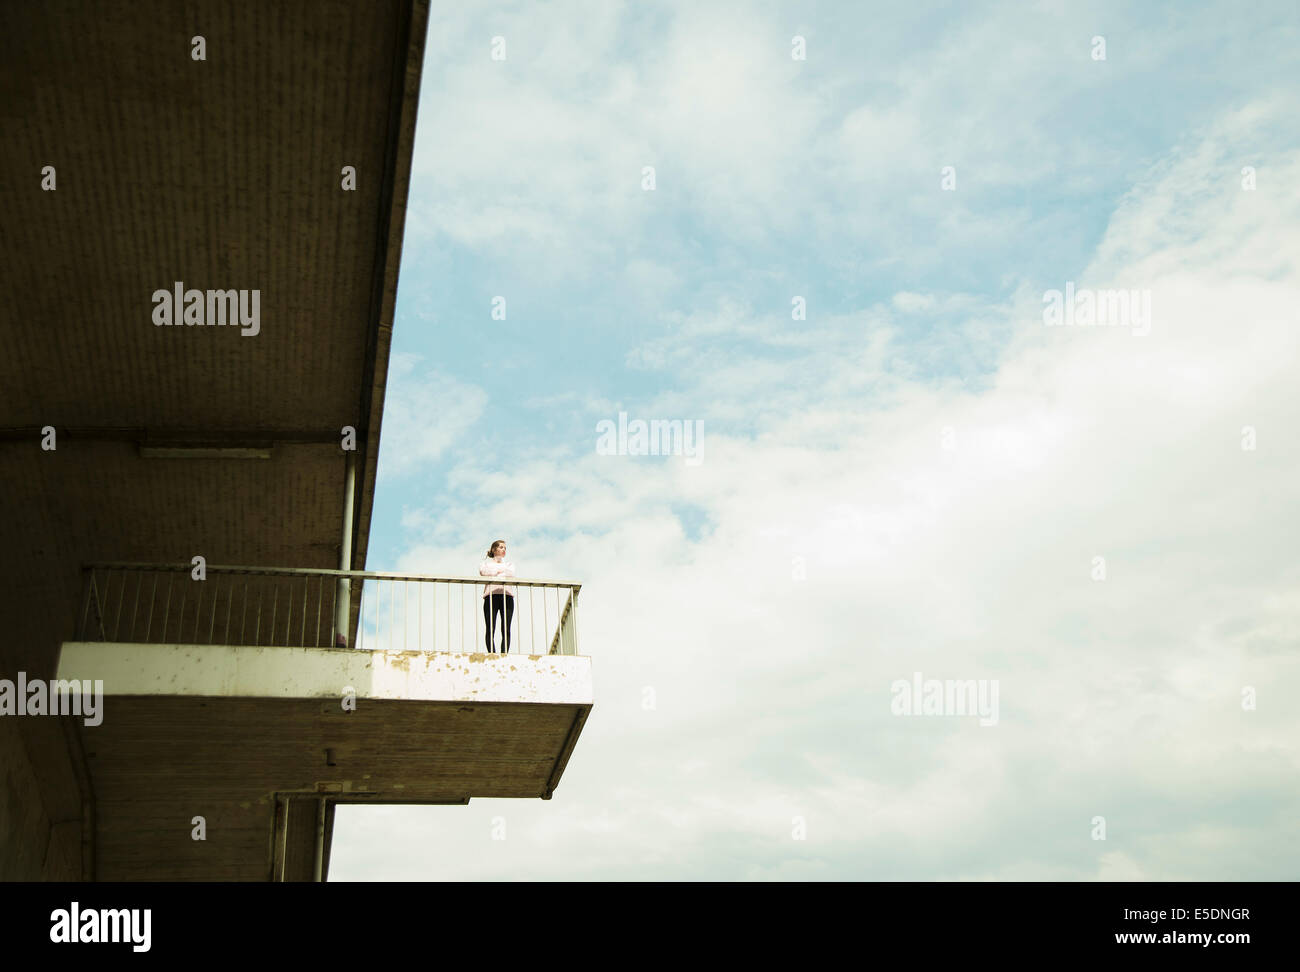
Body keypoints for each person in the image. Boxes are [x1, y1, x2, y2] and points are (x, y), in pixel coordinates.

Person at [479, 540, 515, 653]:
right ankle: (492, 653)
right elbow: (483, 571)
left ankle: (504, 653)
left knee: (506, 628)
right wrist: (500, 571)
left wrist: (494, 572)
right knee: (490, 627)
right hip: (491, 596)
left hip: (507, 597)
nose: (503, 549)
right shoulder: (486, 564)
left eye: (505, 548)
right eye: (501, 547)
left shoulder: (509, 564)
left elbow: (511, 573)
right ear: (494, 550)